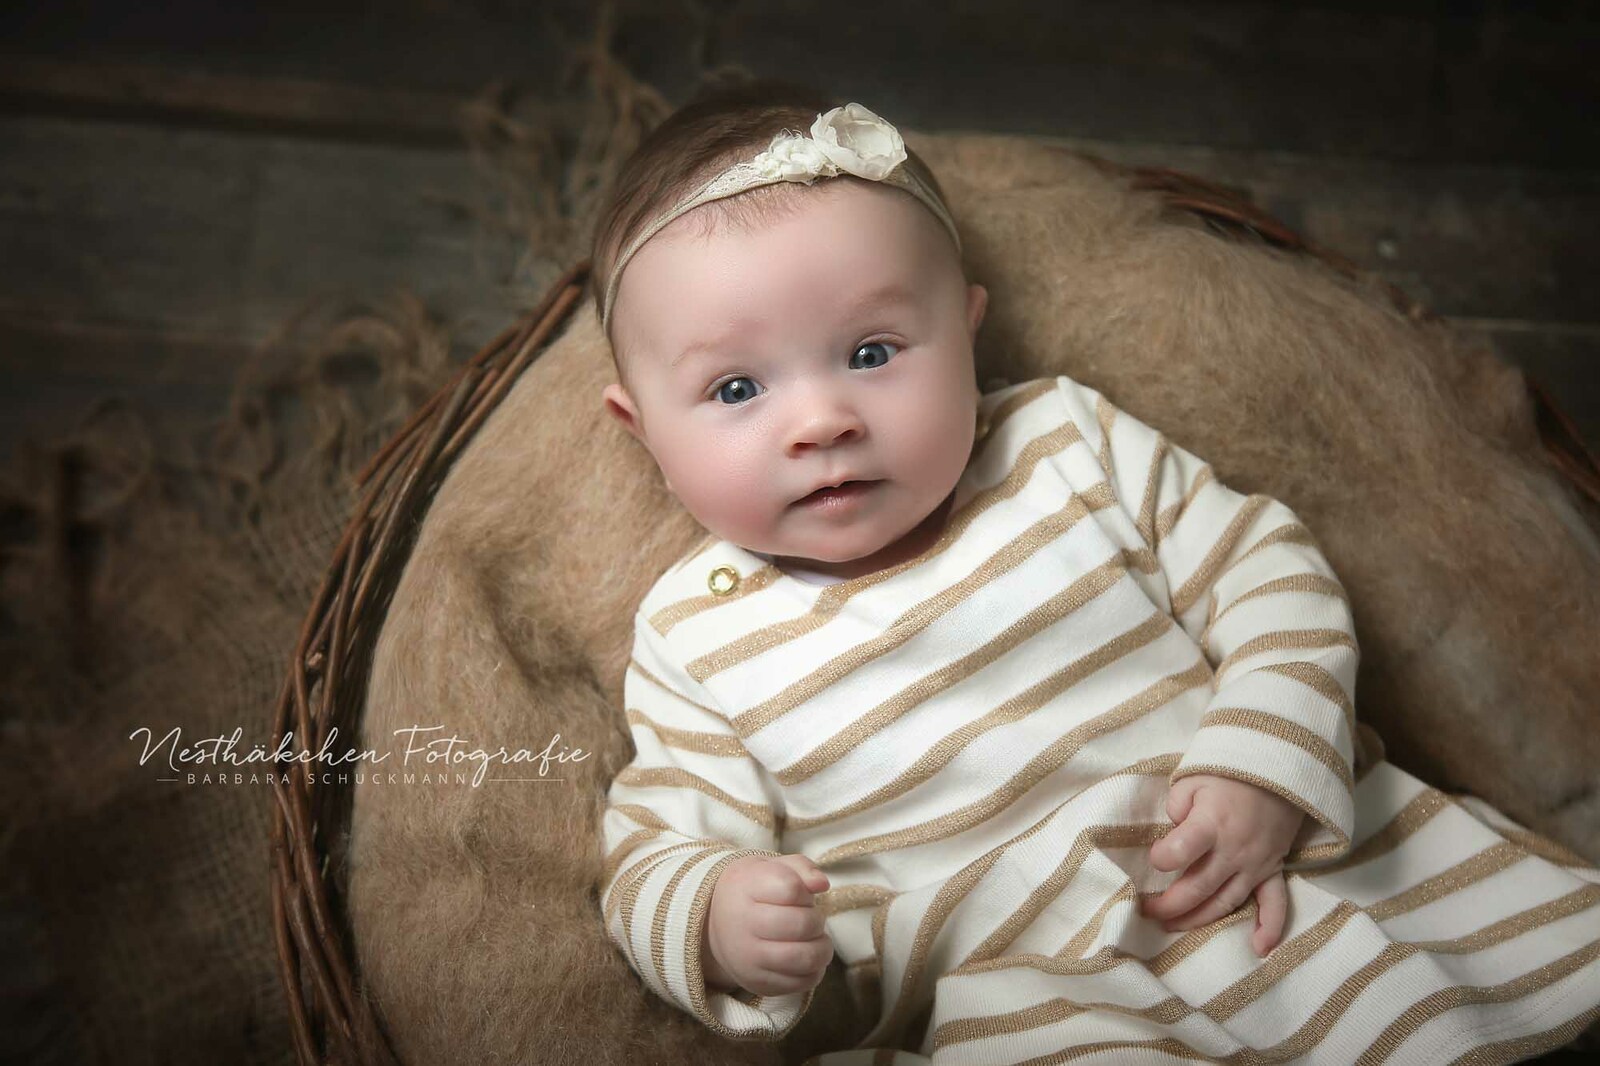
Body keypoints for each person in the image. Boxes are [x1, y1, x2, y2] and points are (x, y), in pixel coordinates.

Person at [591, 78, 1600, 1064]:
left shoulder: (1061, 443)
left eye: (871, 352)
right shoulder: (697, 637)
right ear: (643, 432)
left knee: (1447, 991)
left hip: (1269, 873)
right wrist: (714, 918)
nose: (822, 421)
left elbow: (1269, 573)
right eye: (737, 388)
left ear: (966, 333)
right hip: (1027, 994)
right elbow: (652, 849)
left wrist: (1262, 763)